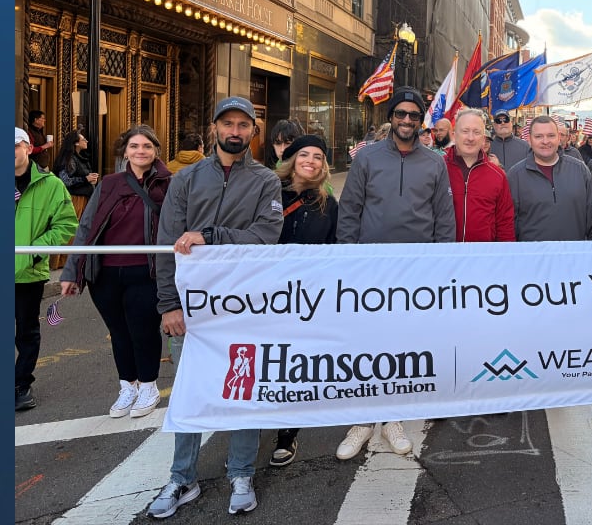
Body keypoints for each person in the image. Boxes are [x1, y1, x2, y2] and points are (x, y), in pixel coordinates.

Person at [147, 96, 284, 519]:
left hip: (247, 304)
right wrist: (168, 304)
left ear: (253, 132)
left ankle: (241, 472)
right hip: (193, 307)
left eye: (243, 125)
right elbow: (166, 243)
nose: (235, 131)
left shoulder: (266, 181)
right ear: (214, 129)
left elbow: (266, 236)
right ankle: (182, 477)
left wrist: (212, 235)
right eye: (228, 124)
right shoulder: (186, 179)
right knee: (190, 391)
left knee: (245, 387)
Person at [335, 87, 455, 460]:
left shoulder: (434, 162)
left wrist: (441, 266)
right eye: (400, 113)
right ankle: (362, 420)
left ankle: (393, 418)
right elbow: (350, 210)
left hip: (417, 271)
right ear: (391, 117)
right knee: (367, 343)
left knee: (404, 345)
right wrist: (348, 261)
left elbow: (443, 218)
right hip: (370, 269)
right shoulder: (367, 158)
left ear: (421, 121)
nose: (406, 120)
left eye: (413, 115)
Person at [59, 125, 171, 420]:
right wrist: (71, 272)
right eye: (134, 146)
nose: (140, 151)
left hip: (146, 272)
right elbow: (87, 227)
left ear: (156, 150)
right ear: (125, 152)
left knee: (143, 331)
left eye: (147, 146)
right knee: (119, 332)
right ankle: (127, 386)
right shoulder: (109, 184)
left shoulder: (169, 184)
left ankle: (148, 386)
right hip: (106, 274)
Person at [268, 133, 340, 469]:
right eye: (304, 155)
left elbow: (335, 249)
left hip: (305, 297)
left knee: (295, 362)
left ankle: (287, 434)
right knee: (266, 359)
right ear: (292, 159)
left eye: (317, 157)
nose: (310, 161)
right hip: (266, 294)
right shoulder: (268, 194)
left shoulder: (328, 204)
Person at [15, 127, 78, 412]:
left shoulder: (51, 184)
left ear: (28, 148)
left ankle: (21, 384)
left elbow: (66, 224)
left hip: (28, 272)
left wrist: (36, 251)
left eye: (15, 146)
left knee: (26, 332)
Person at [507, 115, 592, 242]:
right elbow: (509, 223)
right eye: (538, 136)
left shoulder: (580, 170)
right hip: (532, 253)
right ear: (529, 139)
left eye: (551, 135)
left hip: (574, 251)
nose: (545, 141)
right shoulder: (515, 176)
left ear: (559, 138)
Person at [445, 109, 515, 242]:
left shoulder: (497, 176)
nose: (470, 138)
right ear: (454, 135)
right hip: (444, 252)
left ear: (483, 138)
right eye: (465, 131)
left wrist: (505, 251)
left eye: (476, 132)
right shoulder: (439, 169)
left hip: (484, 252)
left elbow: (505, 223)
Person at [51, 130, 100, 270]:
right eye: (83, 139)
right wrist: (85, 179)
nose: (86, 141)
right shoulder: (69, 159)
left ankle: (76, 258)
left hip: (83, 198)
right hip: (74, 199)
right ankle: (63, 260)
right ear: (76, 143)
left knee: (82, 229)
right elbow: (65, 181)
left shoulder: (79, 158)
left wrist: (90, 180)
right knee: (71, 229)